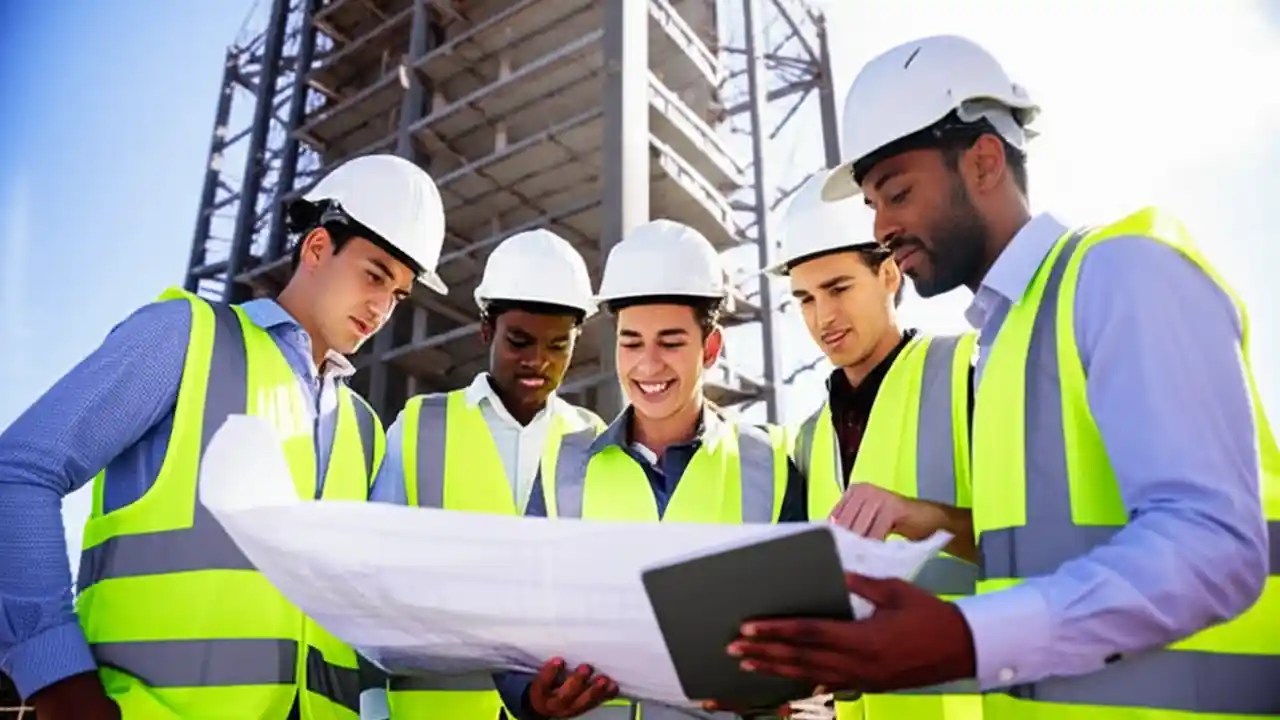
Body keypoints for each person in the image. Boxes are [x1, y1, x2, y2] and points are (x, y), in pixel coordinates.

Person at [707, 34, 1279, 719]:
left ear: (983, 162)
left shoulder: (1121, 274)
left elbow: (1216, 546)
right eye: (872, 206)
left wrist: (963, 637)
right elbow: (1032, 561)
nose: (882, 227)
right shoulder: (1006, 347)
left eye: (898, 194)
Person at [0, 153, 450, 720]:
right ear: (317, 248)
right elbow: (19, 474)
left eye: (399, 295)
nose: (382, 309)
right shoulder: (186, 338)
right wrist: (60, 684)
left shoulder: (364, 430)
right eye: (374, 276)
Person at [504, 219, 809, 720]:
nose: (647, 365)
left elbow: (802, 630)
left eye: (670, 342)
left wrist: (777, 695)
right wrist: (529, 699)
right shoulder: (564, 466)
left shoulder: (769, 466)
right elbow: (519, 610)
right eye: (631, 342)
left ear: (710, 349)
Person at [363, 228, 615, 720]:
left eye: (558, 345)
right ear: (486, 330)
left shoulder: (594, 440)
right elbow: (373, 582)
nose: (538, 361)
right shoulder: (420, 426)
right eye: (519, 341)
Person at [766, 169, 979, 720]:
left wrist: (921, 517)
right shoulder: (808, 438)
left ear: (888, 274)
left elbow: (1042, 544)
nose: (823, 318)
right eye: (805, 299)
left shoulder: (968, 373)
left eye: (838, 289)